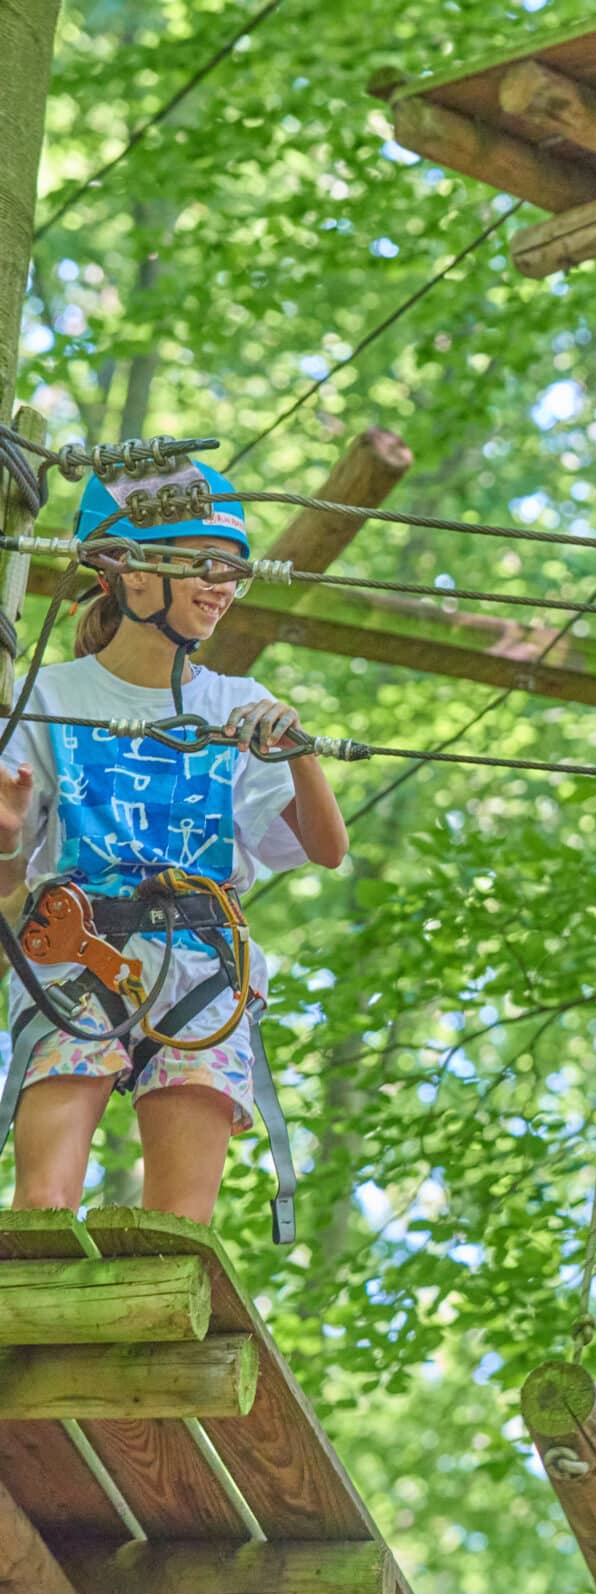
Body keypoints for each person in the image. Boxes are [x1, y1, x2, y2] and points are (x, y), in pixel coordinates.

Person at [0, 461, 348, 1232]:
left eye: (232, 571)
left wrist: (299, 750)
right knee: (44, 1207)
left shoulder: (237, 705)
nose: (221, 585)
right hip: (75, 947)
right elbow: (9, 859)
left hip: (199, 964)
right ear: (126, 568)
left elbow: (326, 848)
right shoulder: (51, 698)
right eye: (200, 563)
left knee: (177, 1228)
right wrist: (6, 835)